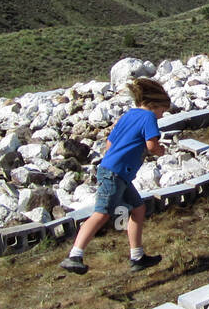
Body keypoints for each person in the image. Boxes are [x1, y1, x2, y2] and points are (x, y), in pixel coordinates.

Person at [60, 76, 174, 274]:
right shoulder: (148, 118)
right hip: (115, 174)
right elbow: (151, 145)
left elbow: (109, 144)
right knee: (102, 213)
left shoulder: (129, 115)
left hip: (116, 173)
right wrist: (160, 150)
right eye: (162, 111)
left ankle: (137, 257)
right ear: (154, 105)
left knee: (138, 209)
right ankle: (75, 255)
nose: (161, 116)